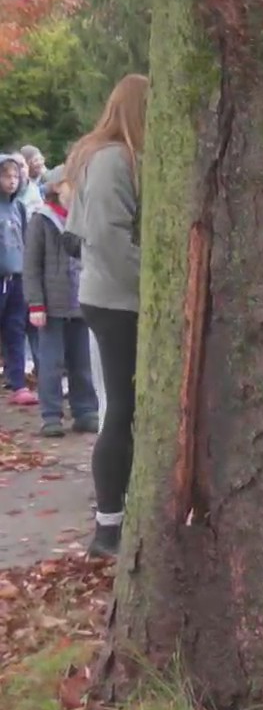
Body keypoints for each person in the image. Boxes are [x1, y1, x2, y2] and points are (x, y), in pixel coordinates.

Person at [66, 74, 147, 557]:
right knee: (120, 409)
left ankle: (117, 516)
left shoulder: (104, 157)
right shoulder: (114, 159)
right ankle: (108, 525)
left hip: (112, 295)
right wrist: (157, 285)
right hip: (118, 299)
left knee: (126, 408)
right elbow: (111, 238)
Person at [24, 166, 99, 437]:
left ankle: (85, 410)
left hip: (80, 304)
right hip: (51, 307)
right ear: (57, 187)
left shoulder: (82, 220)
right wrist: (36, 304)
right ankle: (51, 414)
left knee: (82, 362)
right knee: (51, 362)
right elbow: (31, 266)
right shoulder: (41, 220)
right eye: (72, 184)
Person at [0, 153, 33, 405]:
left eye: (15, 176)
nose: (11, 181)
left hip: (17, 279)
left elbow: (24, 240)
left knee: (16, 328)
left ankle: (18, 382)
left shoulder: (18, 207)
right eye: (5, 175)